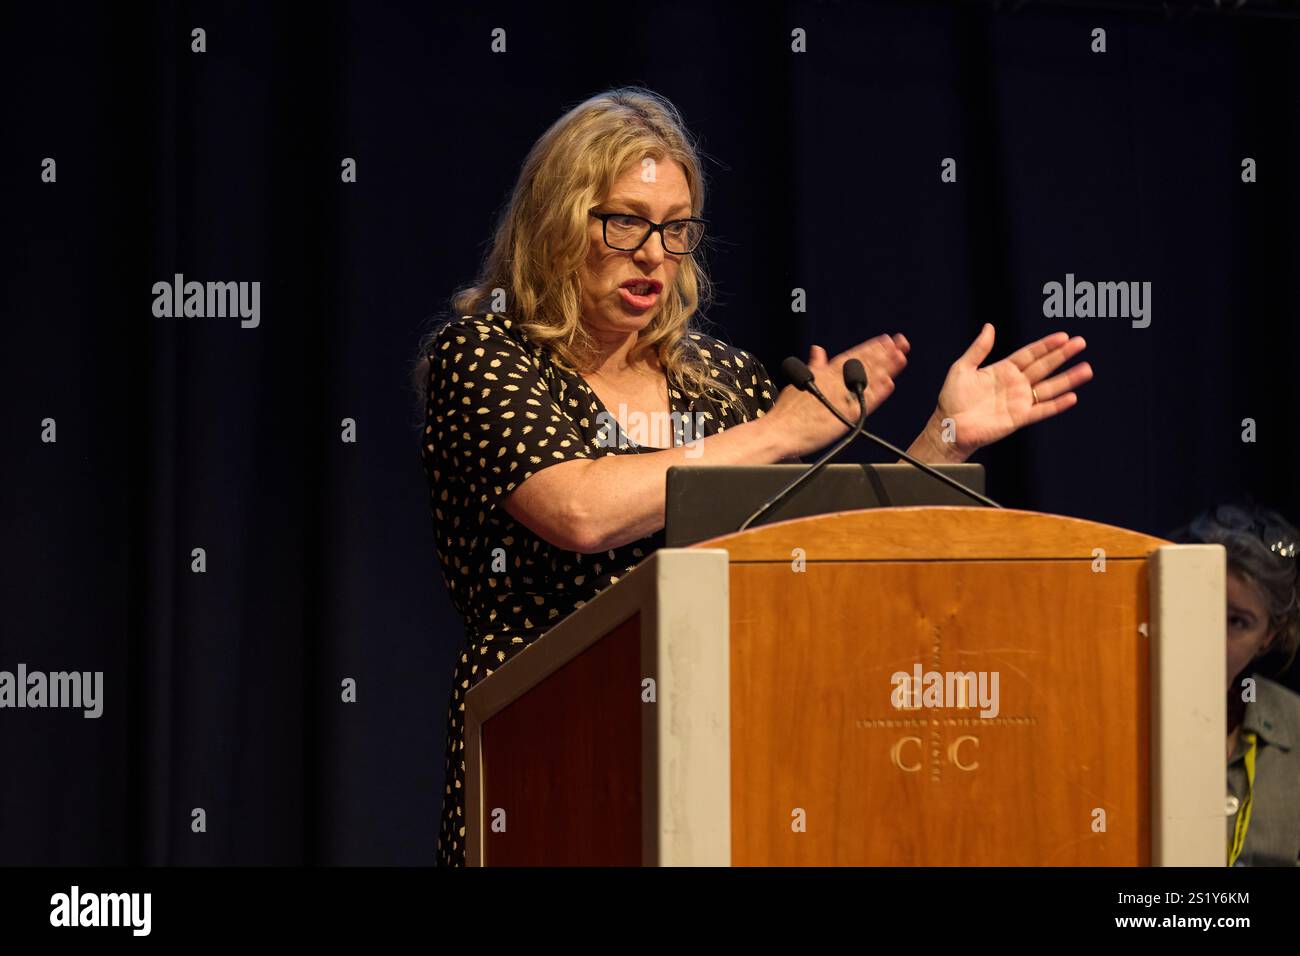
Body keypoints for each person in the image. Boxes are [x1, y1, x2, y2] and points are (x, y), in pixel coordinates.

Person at [414, 86, 1093, 866]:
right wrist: (775, 432)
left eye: (675, 230)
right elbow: (580, 511)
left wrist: (943, 439)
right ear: (558, 221)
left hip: (723, 734)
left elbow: (816, 556)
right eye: (626, 221)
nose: (653, 255)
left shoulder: (720, 380)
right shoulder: (489, 356)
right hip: (552, 734)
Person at [1169, 503, 1300, 866]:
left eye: (1236, 621)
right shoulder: (1121, 714)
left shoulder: (1294, 725)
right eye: (1199, 605)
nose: (1211, 634)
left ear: (1268, 636)